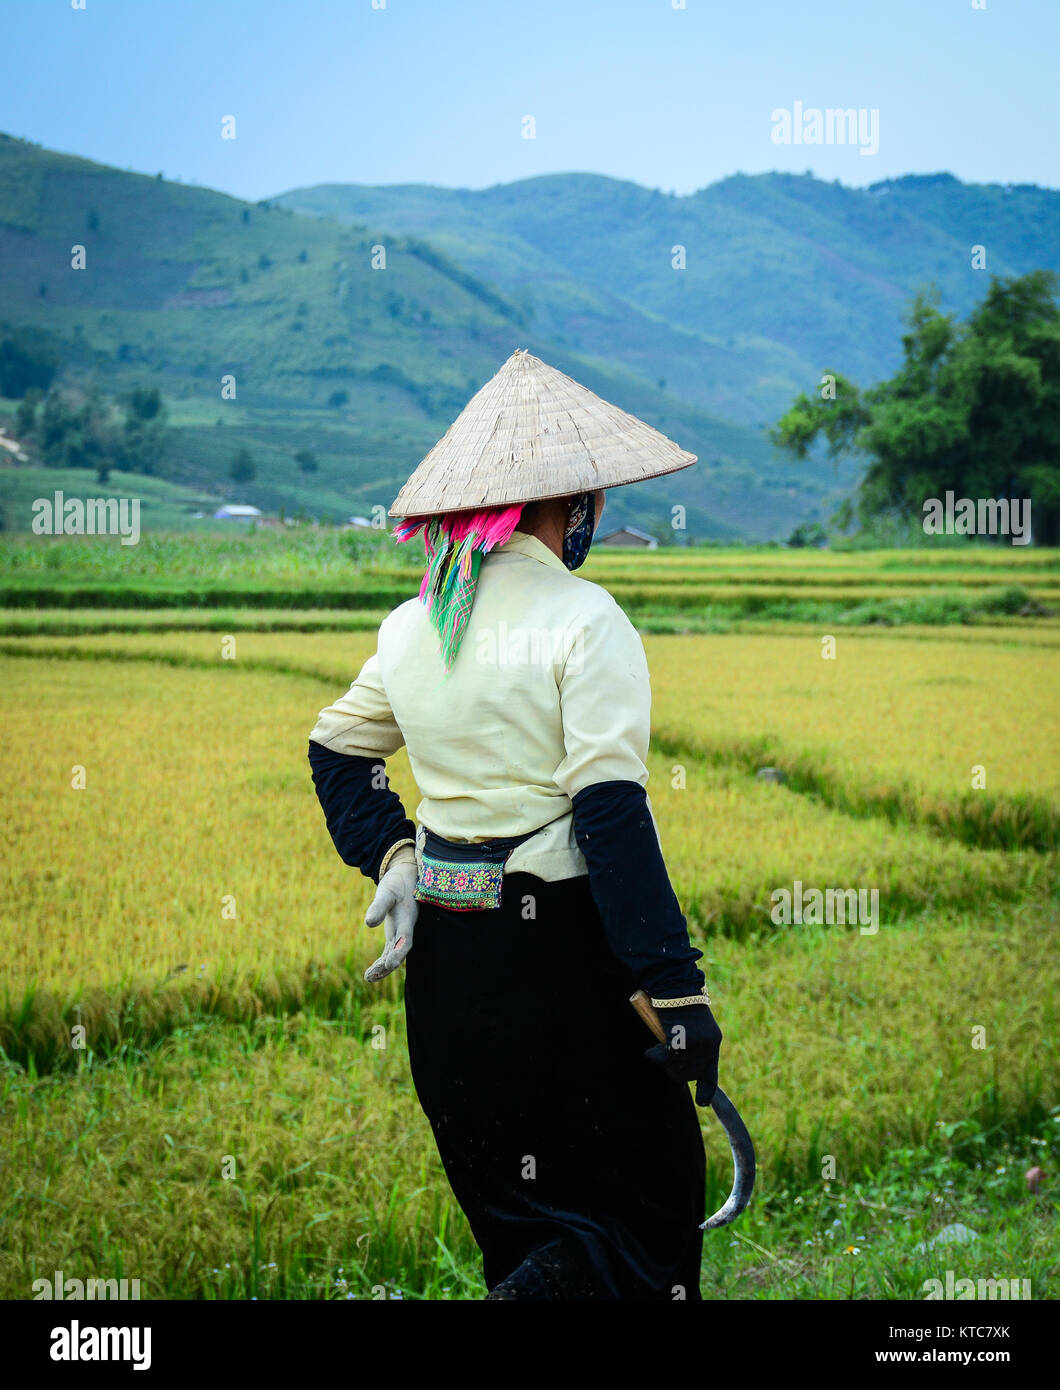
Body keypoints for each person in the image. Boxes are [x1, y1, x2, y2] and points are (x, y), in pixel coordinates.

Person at [307, 349, 723, 1300]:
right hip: (566, 962)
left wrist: (397, 853)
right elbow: (611, 818)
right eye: (595, 499)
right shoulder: (587, 618)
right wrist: (678, 992)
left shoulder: (417, 624)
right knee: (641, 1211)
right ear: (571, 505)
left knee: (523, 1219)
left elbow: (336, 753)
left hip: (452, 982)